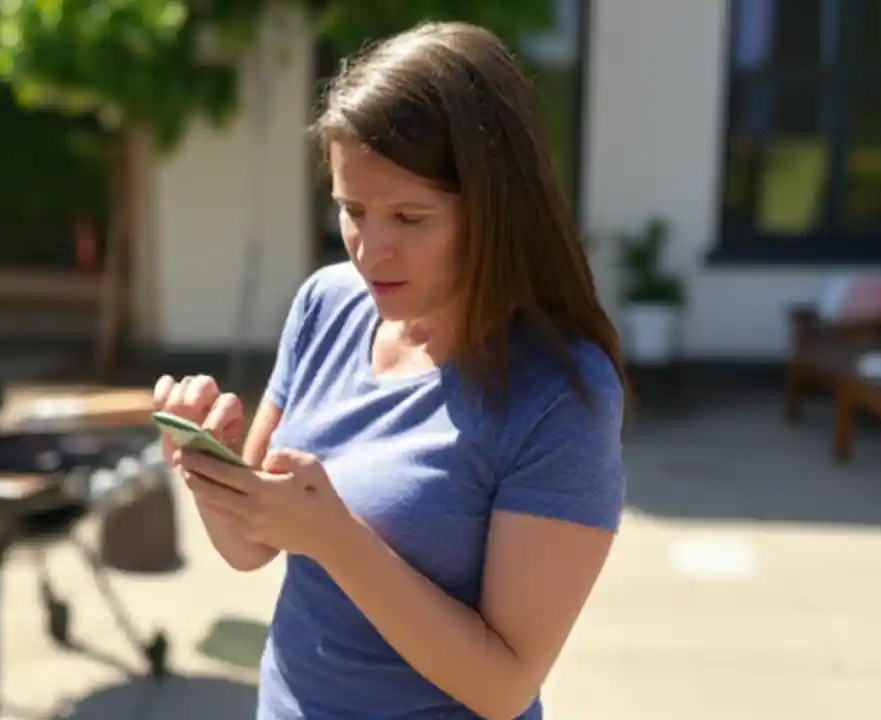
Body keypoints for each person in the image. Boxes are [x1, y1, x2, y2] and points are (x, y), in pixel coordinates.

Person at [152, 20, 628, 720]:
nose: (371, 252)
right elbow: (251, 545)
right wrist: (207, 468)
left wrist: (338, 541)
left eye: (410, 217)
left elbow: (502, 687)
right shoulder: (325, 305)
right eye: (352, 210)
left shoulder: (563, 396)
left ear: (498, 212)